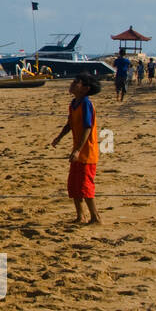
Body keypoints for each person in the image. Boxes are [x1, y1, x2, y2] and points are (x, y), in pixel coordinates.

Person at [51, 73, 102, 225]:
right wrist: (59, 137)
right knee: (73, 185)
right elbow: (70, 124)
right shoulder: (74, 103)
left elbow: (88, 127)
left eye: (76, 82)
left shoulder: (86, 103)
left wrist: (78, 149)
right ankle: (81, 216)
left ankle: (95, 217)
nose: (72, 84)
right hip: (77, 150)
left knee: (85, 186)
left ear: (85, 88)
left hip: (87, 152)